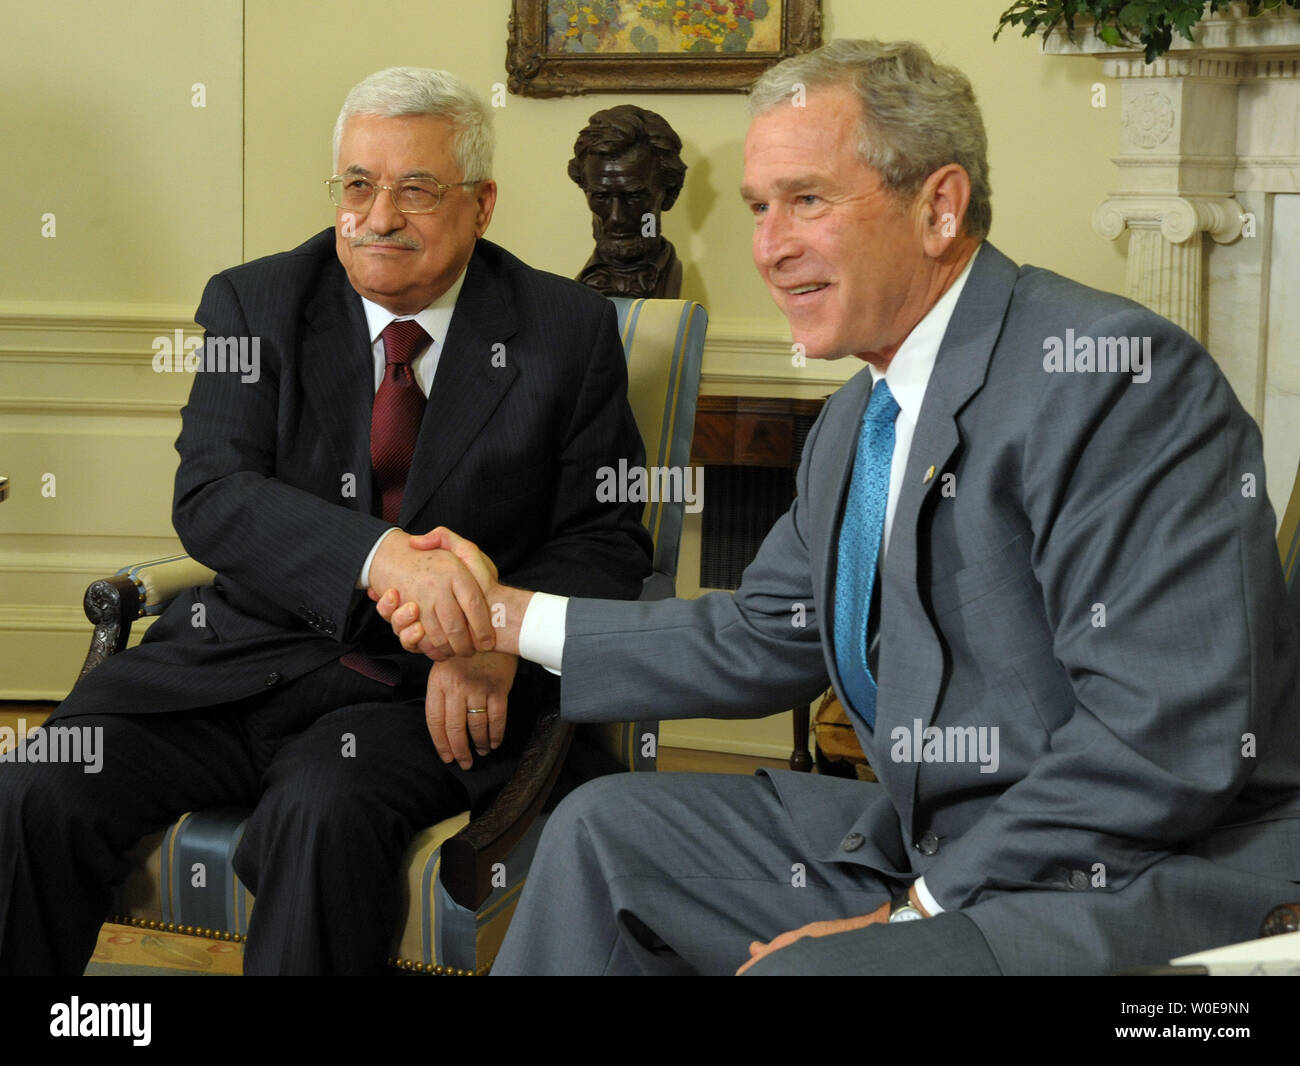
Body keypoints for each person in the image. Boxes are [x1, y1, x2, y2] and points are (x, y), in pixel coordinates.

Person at [376, 40, 1300, 976]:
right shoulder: (860, 413)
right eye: (759, 208)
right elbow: (763, 637)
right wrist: (502, 618)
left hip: (1140, 872)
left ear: (938, 207)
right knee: (608, 830)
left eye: (808, 200)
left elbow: (1161, 742)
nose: (771, 248)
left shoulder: (1110, 378)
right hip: (932, 838)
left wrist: (911, 916)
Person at [0, 67, 651, 975]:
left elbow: (609, 537)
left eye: (416, 188)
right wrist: (385, 559)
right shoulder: (253, 303)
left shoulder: (564, 329)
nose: (379, 215)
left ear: (482, 203)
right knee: (38, 786)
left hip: (419, 691)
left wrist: (497, 632)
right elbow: (213, 494)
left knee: (322, 817)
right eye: (357, 184)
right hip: (234, 668)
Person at [569, 104, 686, 298]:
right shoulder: (569, 295)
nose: (616, 217)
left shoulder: (671, 277)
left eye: (634, 197)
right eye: (601, 197)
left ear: (670, 193)